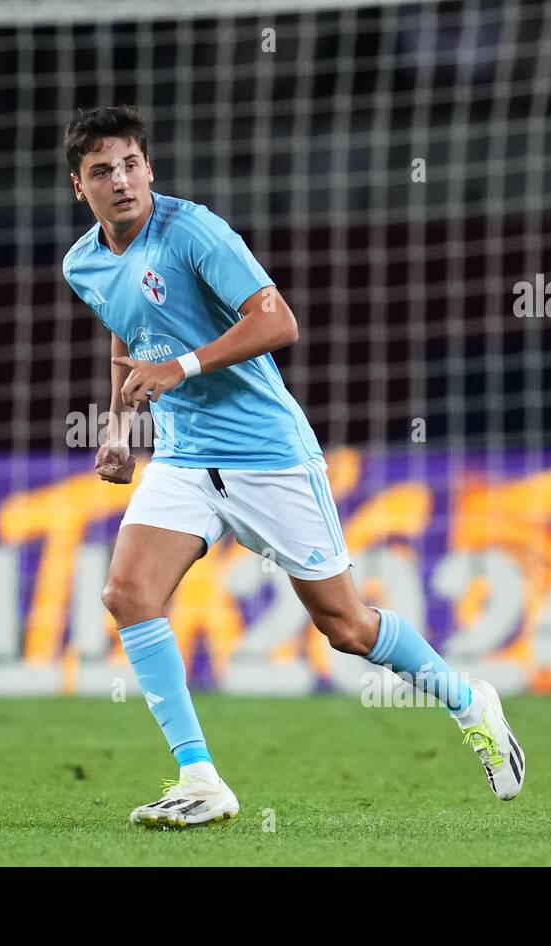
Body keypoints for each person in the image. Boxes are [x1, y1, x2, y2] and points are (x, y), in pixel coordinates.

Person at [61, 105, 524, 827]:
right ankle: (200, 777)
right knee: (128, 593)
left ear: (148, 168)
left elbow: (279, 322)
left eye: (129, 164)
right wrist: (122, 429)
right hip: (185, 457)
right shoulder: (82, 262)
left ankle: (469, 700)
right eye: (101, 171)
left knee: (345, 627)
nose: (120, 180)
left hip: (265, 452)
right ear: (78, 186)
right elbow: (129, 338)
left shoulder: (194, 232)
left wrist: (182, 368)